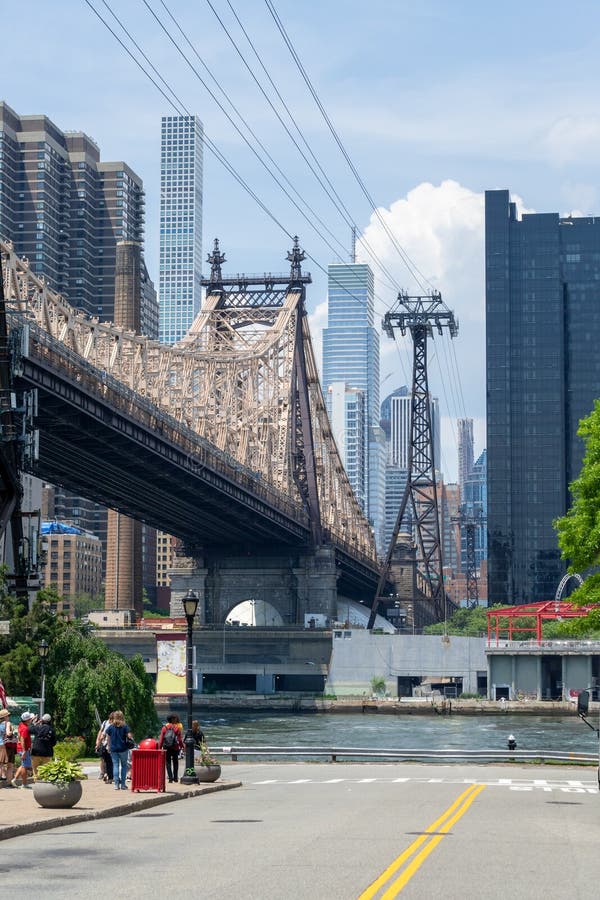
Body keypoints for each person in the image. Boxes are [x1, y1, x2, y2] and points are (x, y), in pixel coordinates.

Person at [104, 710, 134, 791]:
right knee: (124, 766)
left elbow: (108, 738)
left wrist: (109, 747)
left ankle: (116, 785)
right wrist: (130, 736)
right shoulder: (125, 726)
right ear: (122, 717)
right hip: (123, 749)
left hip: (113, 749)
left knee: (115, 766)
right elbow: (129, 736)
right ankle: (123, 785)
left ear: (114, 717)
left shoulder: (110, 727)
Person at [29, 713, 57, 779]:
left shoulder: (38, 727)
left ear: (42, 720)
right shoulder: (52, 730)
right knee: (45, 770)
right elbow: (54, 742)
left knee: (35, 770)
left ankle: (36, 781)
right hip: (47, 752)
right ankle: (44, 782)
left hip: (36, 752)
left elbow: (30, 729)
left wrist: (33, 722)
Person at [158, 714, 184, 783]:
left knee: (168, 762)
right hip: (175, 747)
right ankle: (175, 778)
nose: (176, 720)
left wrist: (159, 748)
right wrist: (182, 747)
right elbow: (179, 739)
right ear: (172, 719)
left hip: (166, 747)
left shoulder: (164, 728)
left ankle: (170, 778)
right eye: (174, 719)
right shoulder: (177, 728)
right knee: (175, 762)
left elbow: (161, 739)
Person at [12, 711, 35, 788]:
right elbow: (22, 739)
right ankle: (24, 784)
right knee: (25, 766)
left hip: (21, 748)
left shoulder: (21, 725)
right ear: (27, 720)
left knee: (23, 765)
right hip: (24, 749)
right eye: (30, 719)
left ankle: (15, 779)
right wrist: (24, 751)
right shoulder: (25, 728)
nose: (31, 720)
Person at [94, 713, 114, 783]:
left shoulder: (114, 724)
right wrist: (98, 741)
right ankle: (103, 773)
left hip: (109, 744)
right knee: (103, 760)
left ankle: (108, 775)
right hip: (104, 744)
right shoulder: (105, 723)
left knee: (109, 761)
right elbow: (101, 732)